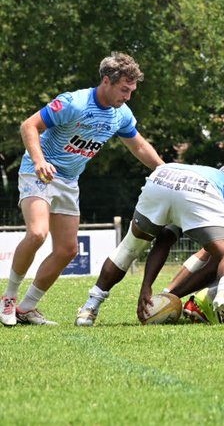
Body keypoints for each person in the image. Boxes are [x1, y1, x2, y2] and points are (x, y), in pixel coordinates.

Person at [3, 53, 164, 327]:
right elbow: (29, 125)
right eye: (124, 89)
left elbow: (138, 146)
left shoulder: (121, 114)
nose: (128, 97)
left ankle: (26, 308)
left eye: (131, 91)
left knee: (67, 250)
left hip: (69, 180)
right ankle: (8, 298)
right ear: (106, 81)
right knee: (38, 233)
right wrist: (40, 161)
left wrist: (165, 171)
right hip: (39, 170)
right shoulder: (74, 102)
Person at [74, 162, 224, 326]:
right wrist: (175, 294)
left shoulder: (219, 176)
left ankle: (90, 307)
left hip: (162, 177)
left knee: (128, 248)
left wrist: (147, 286)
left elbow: (164, 239)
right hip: (201, 189)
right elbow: (218, 263)